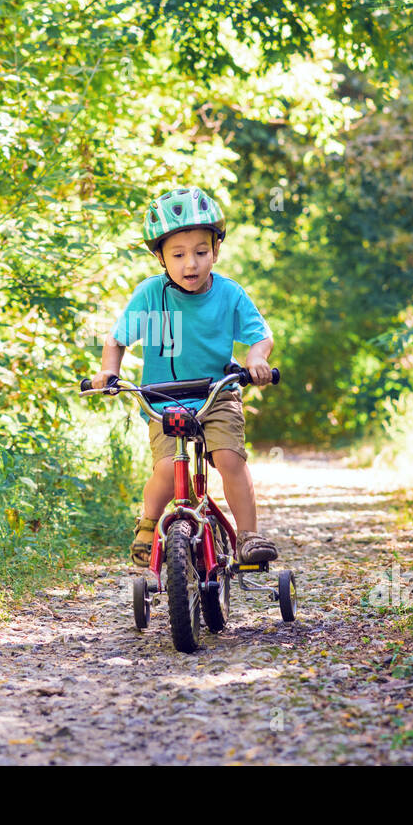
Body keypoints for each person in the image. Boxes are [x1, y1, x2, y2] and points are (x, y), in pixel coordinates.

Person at [90, 187, 279, 568]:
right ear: (160, 256)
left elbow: (261, 335)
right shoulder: (148, 295)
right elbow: (117, 339)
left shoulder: (229, 294)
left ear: (216, 251)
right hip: (163, 398)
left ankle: (248, 536)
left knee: (228, 458)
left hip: (217, 393)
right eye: (178, 255)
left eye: (201, 252)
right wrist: (110, 371)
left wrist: (256, 359)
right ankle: (148, 523)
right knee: (165, 468)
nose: (190, 264)